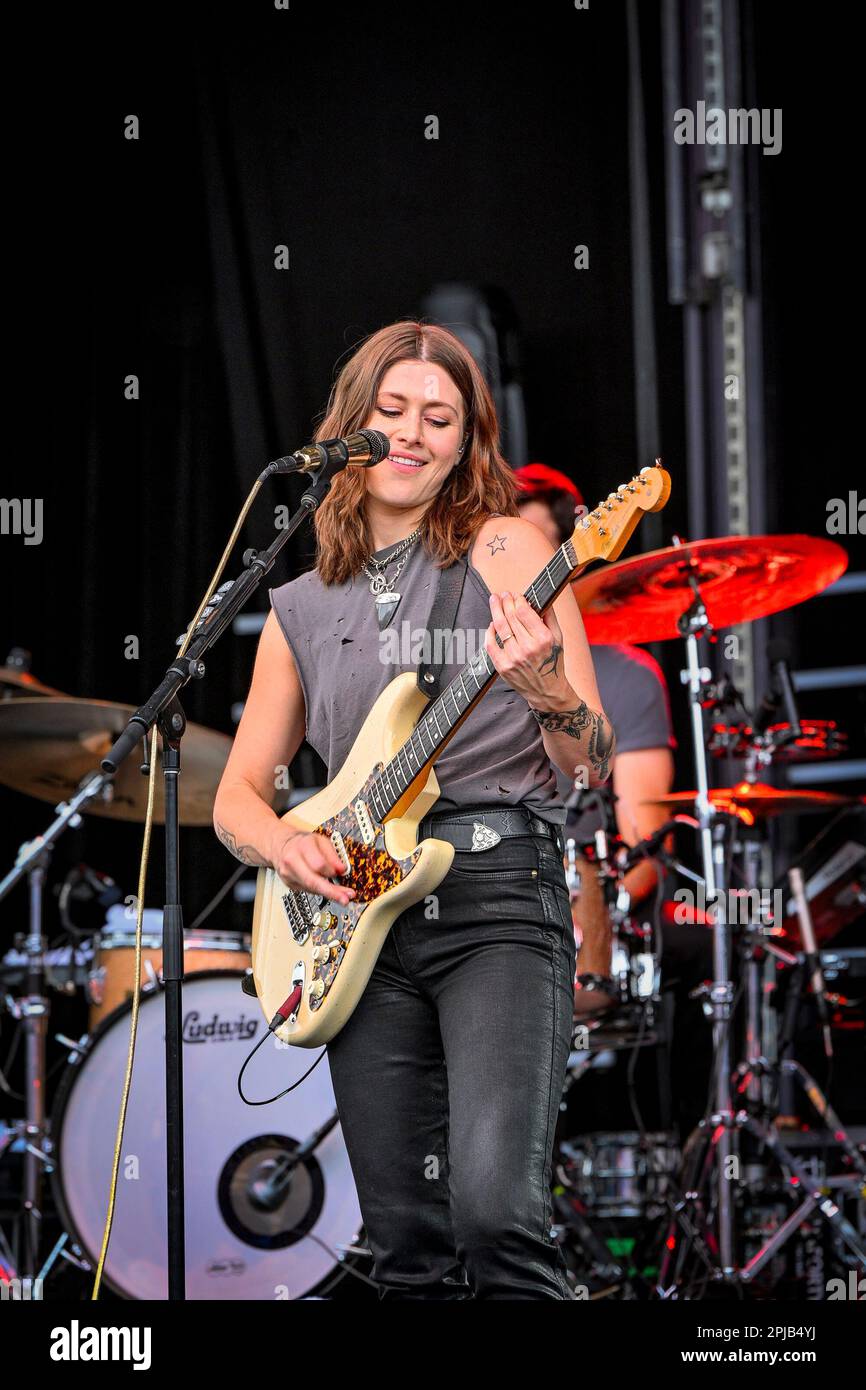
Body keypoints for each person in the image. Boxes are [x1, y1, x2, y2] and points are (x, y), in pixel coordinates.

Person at [213, 322, 615, 1299]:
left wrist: (546, 684)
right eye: (389, 410)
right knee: (401, 1247)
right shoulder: (302, 604)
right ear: (349, 425)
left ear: (463, 442)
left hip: (492, 902)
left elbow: (593, 761)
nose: (411, 431)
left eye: (439, 417)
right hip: (358, 927)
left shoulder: (508, 543)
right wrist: (283, 842)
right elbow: (235, 793)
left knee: (494, 1212)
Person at [515, 466, 713, 1137]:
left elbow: (647, 848)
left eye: (542, 551)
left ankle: (688, 1150)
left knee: (711, 942)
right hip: (476, 894)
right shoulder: (458, 665)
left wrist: (593, 915)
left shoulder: (626, 675)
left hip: (581, 903)